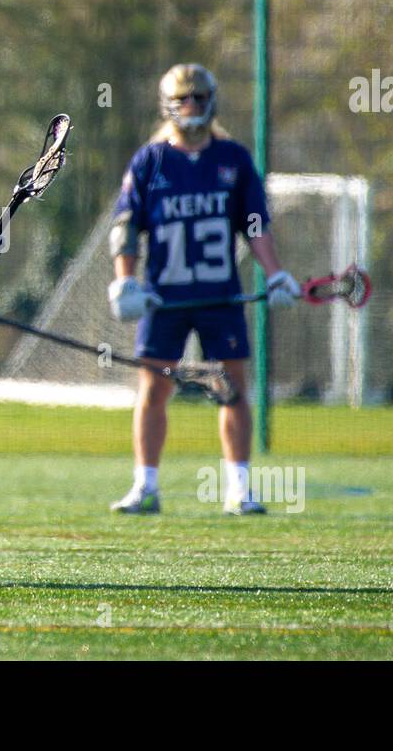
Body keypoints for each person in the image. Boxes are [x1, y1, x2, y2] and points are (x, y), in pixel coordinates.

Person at [107, 63, 301, 515]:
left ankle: (238, 488)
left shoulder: (232, 159)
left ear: (211, 101)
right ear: (168, 106)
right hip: (165, 295)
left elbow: (255, 223)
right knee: (154, 388)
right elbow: (125, 227)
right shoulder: (150, 160)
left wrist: (274, 272)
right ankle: (145, 487)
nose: (191, 107)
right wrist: (124, 280)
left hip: (219, 293)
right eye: (183, 100)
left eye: (198, 98)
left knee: (233, 387)